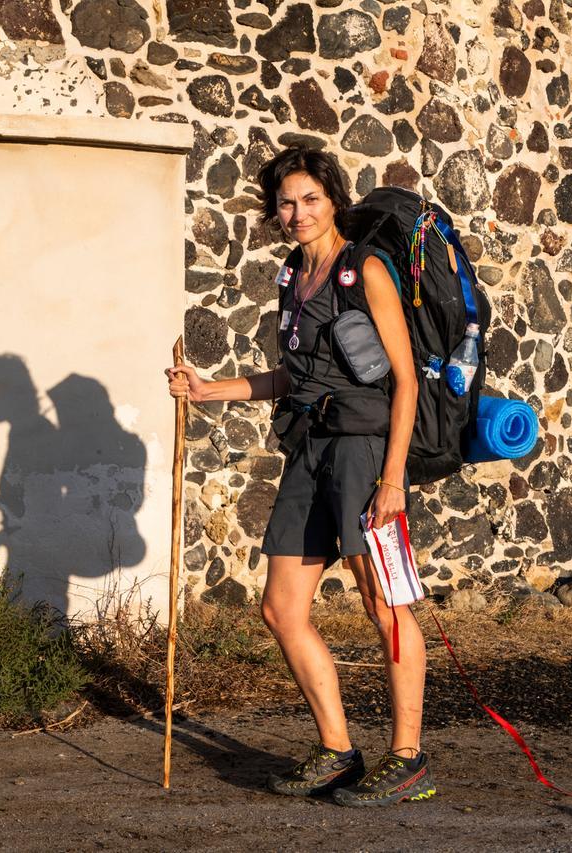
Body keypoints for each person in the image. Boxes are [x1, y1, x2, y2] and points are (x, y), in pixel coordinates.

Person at [166, 147, 432, 807]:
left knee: (383, 603)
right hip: (308, 449)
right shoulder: (293, 276)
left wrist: (393, 478)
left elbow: (405, 381)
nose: (298, 213)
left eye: (310, 198)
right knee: (282, 609)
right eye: (286, 202)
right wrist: (208, 389)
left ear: (333, 200)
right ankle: (337, 750)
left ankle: (408, 759)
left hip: (364, 452)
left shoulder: (365, 269)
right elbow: (293, 377)